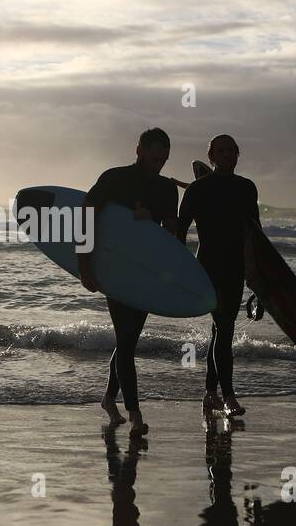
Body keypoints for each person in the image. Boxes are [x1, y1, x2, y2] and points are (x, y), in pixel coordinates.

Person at [79, 128, 178, 437]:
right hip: (114, 268)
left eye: (162, 160)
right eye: (152, 158)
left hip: (145, 271)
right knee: (125, 339)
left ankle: (109, 398)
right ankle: (135, 413)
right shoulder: (114, 179)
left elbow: (174, 237)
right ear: (138, 150)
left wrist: (153, 225)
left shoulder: (166, 189)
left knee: (128, 341)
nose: (157, 165)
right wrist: (85, 267)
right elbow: (86, 217)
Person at [177, 134, 260, 417]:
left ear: (238, 154)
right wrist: (180, 270)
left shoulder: (247, 188)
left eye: (230, 151)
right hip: (208, 267)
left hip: (234, 268)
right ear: (211, 157)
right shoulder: (198, 190)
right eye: (220, 151)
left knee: (221, 330)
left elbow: (253, 234)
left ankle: (210, 394)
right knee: (224, 330)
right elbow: (179, 231)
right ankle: (228, 397)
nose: (225, 155)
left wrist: (254, 271)